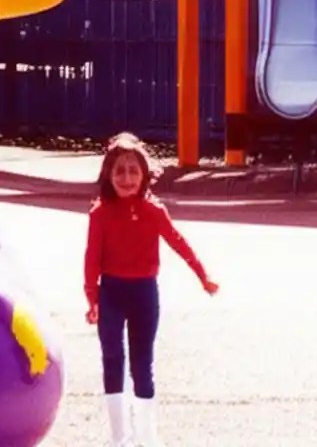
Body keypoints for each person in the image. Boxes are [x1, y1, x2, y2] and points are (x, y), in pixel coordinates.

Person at [84, 132, 219, 447]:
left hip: (145, 293)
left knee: (143, 363)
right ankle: (120, 438)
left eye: (133, 170)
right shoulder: (100, 214)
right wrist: (92, 298)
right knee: (112, 358)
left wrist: (203, 276)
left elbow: (178, 243)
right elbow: (91, 259)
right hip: (111, 293)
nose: (127, 178)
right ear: (108, 175)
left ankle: (147, 438)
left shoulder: (154, 211)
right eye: (119, 171)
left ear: (145, 174)